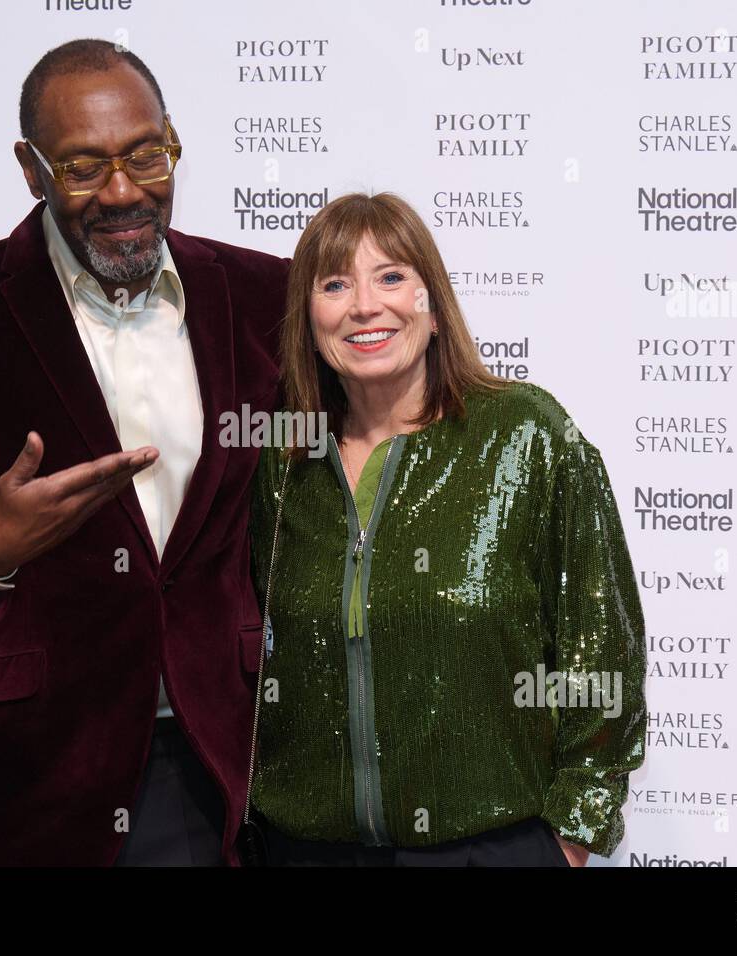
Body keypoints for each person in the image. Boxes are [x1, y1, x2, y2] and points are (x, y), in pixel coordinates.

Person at [0, 39, 289, 865]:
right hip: (30, 781)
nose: (124, 192)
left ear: (173, 139)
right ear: (30, 167)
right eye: (83, 168)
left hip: (228, 766)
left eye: (146, 156)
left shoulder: (266, 296)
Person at [247, 192, 647, 866]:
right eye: (335, 283)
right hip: (305, 851)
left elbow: (601, 644)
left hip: (489, 848)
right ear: (308, 317)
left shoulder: (525, 432)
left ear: (433, 306)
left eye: (392, 276)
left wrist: (570, 837)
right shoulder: (283, 461)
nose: (365, 305)